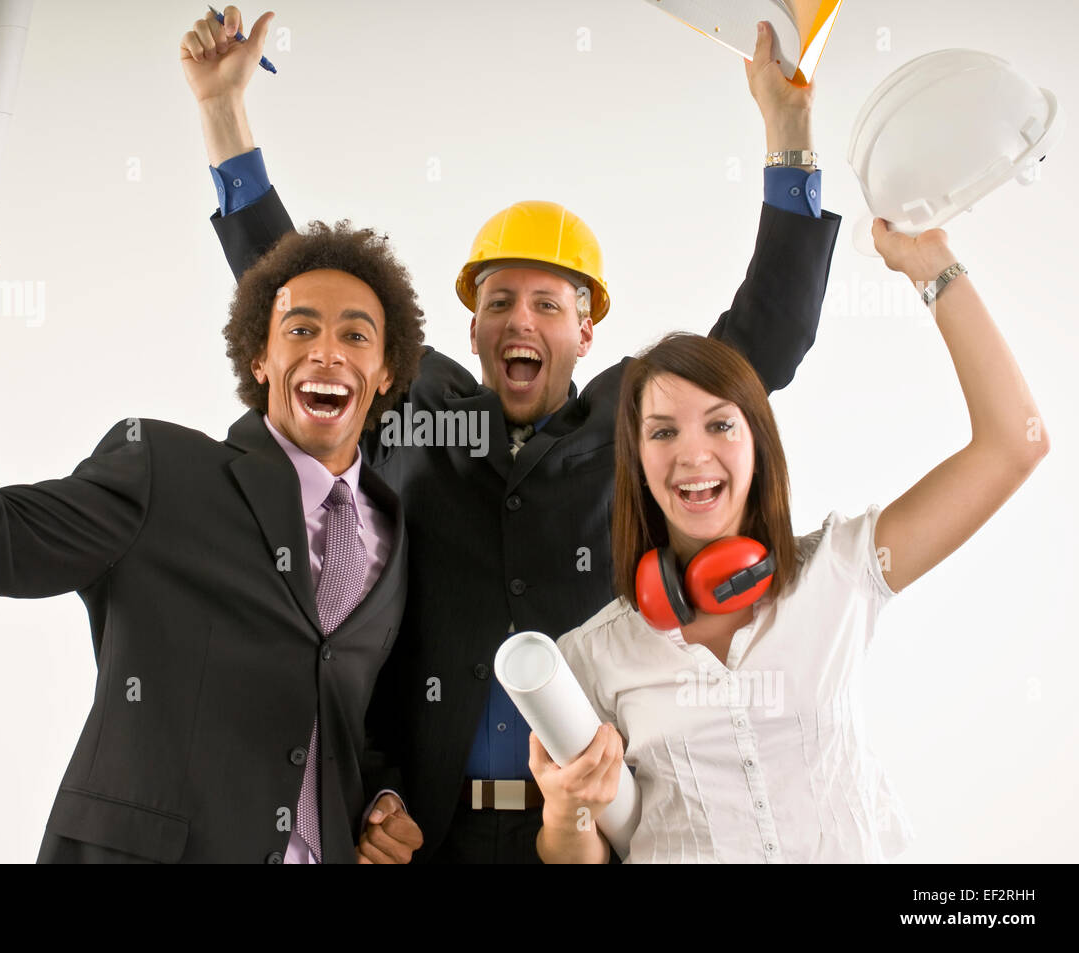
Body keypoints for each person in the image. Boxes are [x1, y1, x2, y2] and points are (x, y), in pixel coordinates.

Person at [182, 7, 840, 862]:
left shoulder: (633, 418)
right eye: (498, 302)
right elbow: (303, 294)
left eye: (547, 304)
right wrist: (224, 118)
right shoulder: (413, 404)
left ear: (586, 330)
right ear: (475, 329)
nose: (519, 320)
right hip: (423, 830)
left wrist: (787, 127)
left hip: (588, 826)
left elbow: (769, 334)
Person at [0, 203, 427, 863]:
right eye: (300, 329)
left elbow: (351, 719)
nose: (327, 350)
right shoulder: (163, 472)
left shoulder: (391, 528)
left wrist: (381, 803)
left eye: (356, 336)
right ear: (261, 358)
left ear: (387, 372)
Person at [530, 221, 1050, 863]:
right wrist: (566, 809)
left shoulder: (843, 570)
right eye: (663, 433)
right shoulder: (590, 657)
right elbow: (581, 856)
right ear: (635, 462)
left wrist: (931, 265)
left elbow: (1015, 443)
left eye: (720, 424)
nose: (693, 454)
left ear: (758, 447)